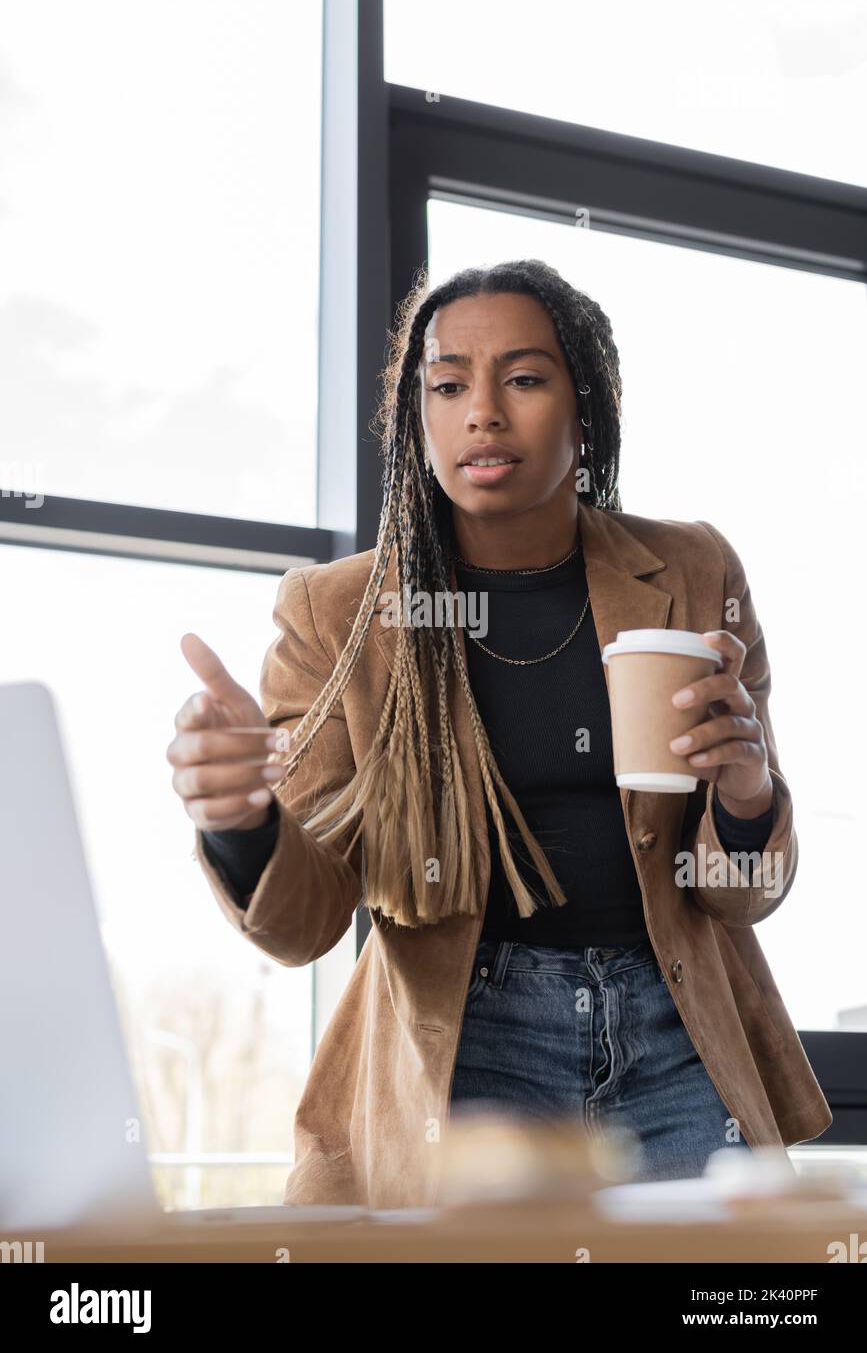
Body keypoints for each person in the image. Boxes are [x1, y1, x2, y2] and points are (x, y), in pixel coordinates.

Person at [166, 259, 831, 1208]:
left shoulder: (689, 567)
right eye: (447, 385)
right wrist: (240, 820)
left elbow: (740, 899)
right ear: (418, 418)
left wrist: (745, 798)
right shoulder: (340, 612)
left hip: (680, 1025)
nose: (482, 411)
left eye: (523, 378)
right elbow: (305, 922)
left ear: (584, 407)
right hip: (469, 1038)